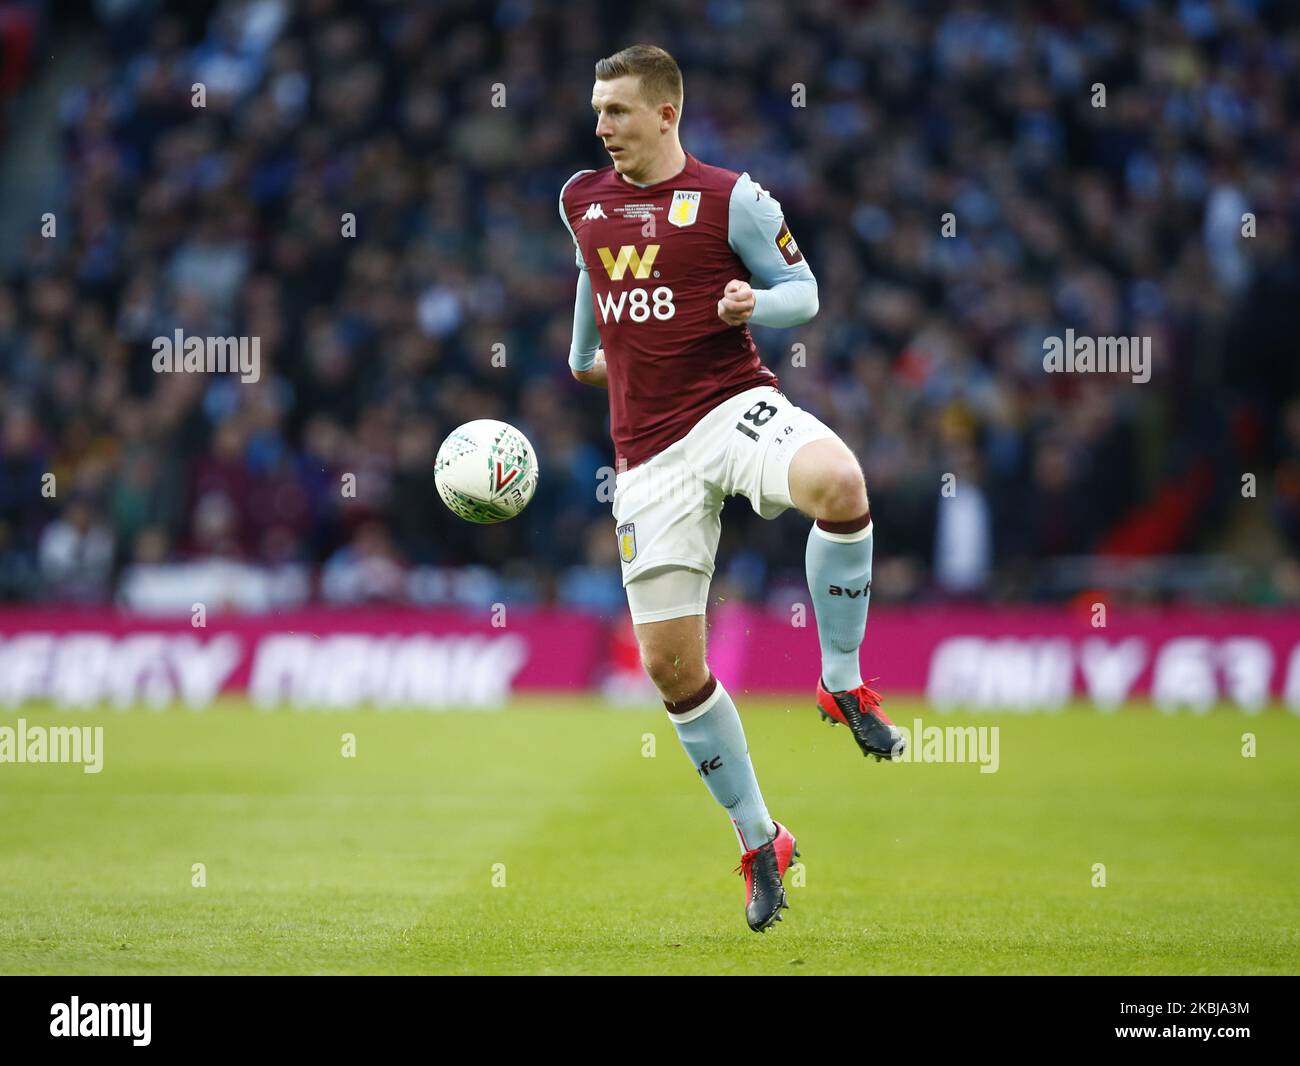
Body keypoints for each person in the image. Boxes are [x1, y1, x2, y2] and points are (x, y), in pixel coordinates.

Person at [561, 44, 904, 933]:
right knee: (671, 668)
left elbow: (807, 291)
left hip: (731, 406)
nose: (602, 127)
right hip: (647, 456)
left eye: (618, 111)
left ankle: (840, 679)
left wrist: (758, 304)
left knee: (838, 479)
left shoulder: (730, 199)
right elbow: (591, 277)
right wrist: (583, 354)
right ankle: (762, 840)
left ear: (667, 114)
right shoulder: (581, 201)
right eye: (598, 111)